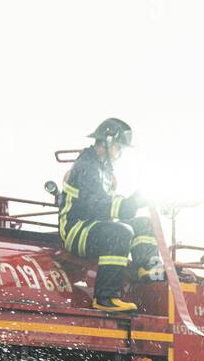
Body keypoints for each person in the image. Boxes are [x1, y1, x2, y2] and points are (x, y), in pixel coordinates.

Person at [57, 117, 161, 314]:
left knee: (144, 224)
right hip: (76, 229)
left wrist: (134, 202)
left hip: (95, 227)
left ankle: (146, 268)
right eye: (119, 147)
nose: (119, 153)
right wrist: (130, 204)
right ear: (109, 142)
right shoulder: (87, 166)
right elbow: (97, 204)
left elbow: (112, 202)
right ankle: (106, 298)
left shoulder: (105, 170)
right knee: (119, 233)